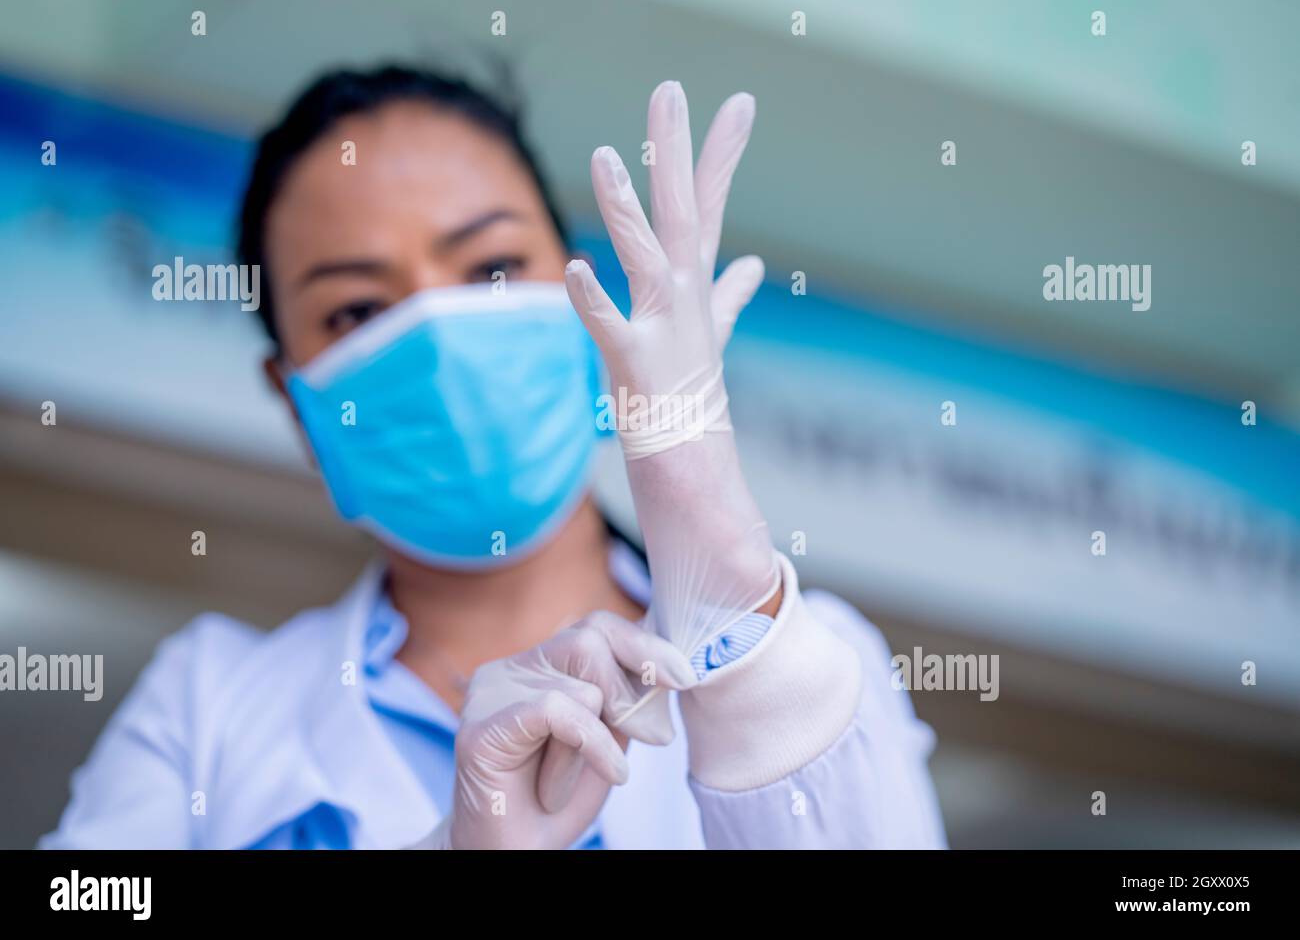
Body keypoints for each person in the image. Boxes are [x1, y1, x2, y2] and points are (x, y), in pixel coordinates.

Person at [41, 64, 946, 849]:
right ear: (295, 400)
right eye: (357, 311)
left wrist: (742, 641)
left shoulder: (813, 655)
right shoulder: (208, 707)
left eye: (492, 269)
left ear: (588, 297)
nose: (439, 336)